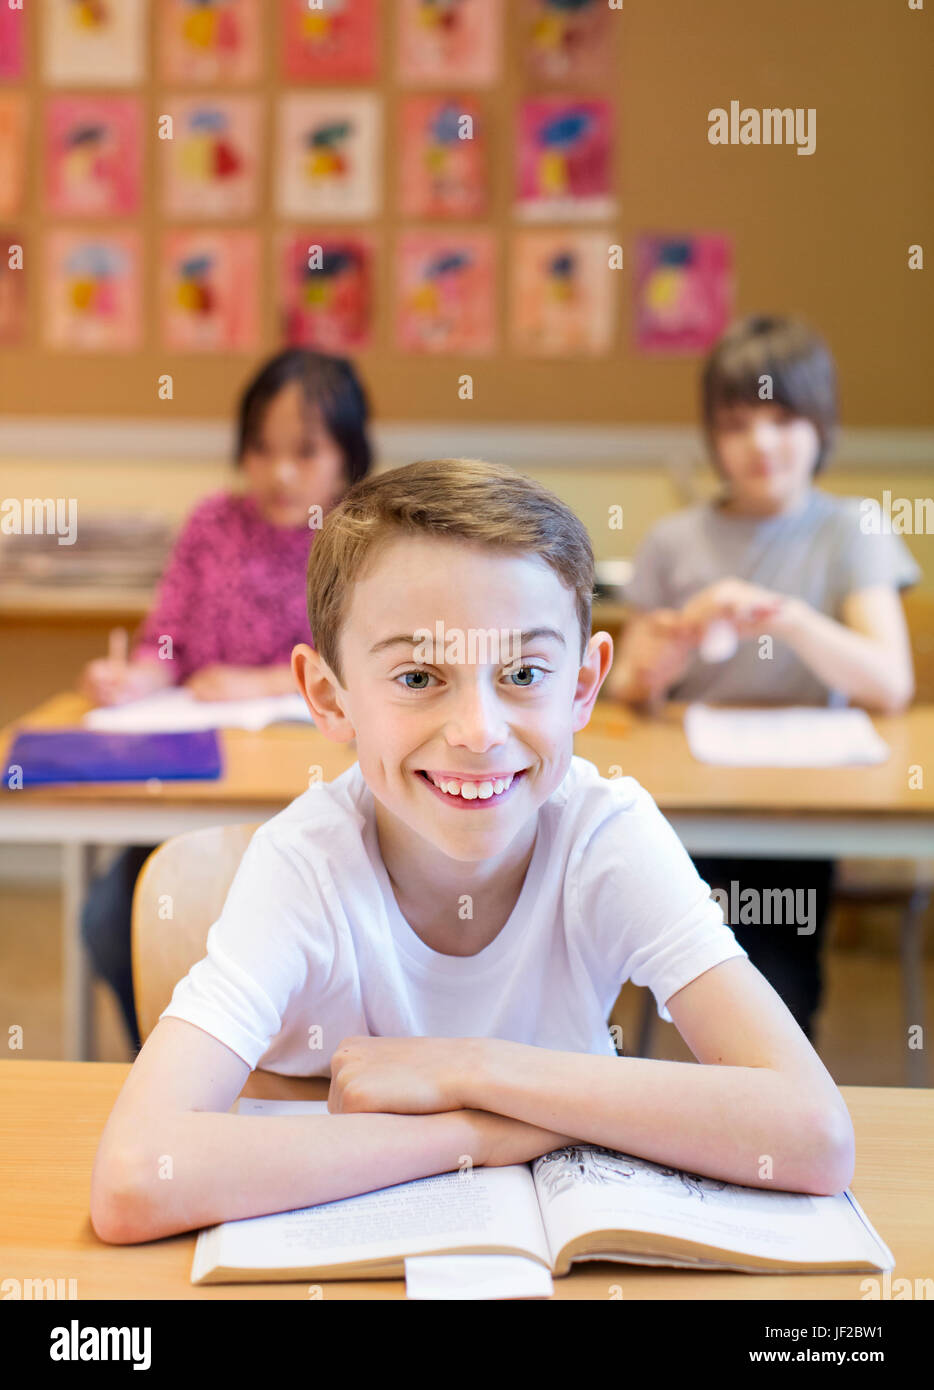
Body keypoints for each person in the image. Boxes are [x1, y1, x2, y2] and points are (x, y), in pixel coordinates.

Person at [91, 457, 854, 1246]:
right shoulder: (305, 866)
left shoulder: (605, 835)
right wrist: (480, 1137)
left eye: (525, 672)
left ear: (584, 684)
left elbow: (813, 1134)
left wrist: (470, 1069)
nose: (479, 732)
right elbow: (136, 1176)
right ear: (328, 696)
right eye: (419, 676)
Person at [604, 315, 919, 1041]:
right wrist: (680, 634)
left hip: (804, 805)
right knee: (676, 946)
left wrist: (779, 614)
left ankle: (769, 1074)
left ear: (821, 424)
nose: (761, 443)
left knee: (777, 973)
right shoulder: (673, 540)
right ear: (713, 435)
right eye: (738, 423)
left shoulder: (853, 529)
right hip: (690, 799)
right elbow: (631, 688)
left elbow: (888, 683)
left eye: (782, 419)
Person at [78, 349, 373, 1053]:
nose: (279, 472)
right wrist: (141, 677)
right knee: (111, 918)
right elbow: (169, 641)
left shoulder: (368, 537)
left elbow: (382, 665)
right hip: (195, 785)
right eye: (261, 448)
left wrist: (268, 680)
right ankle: (164, 1065)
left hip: (322, 800)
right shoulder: (213, 524)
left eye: (305, 451)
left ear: (348, 455)